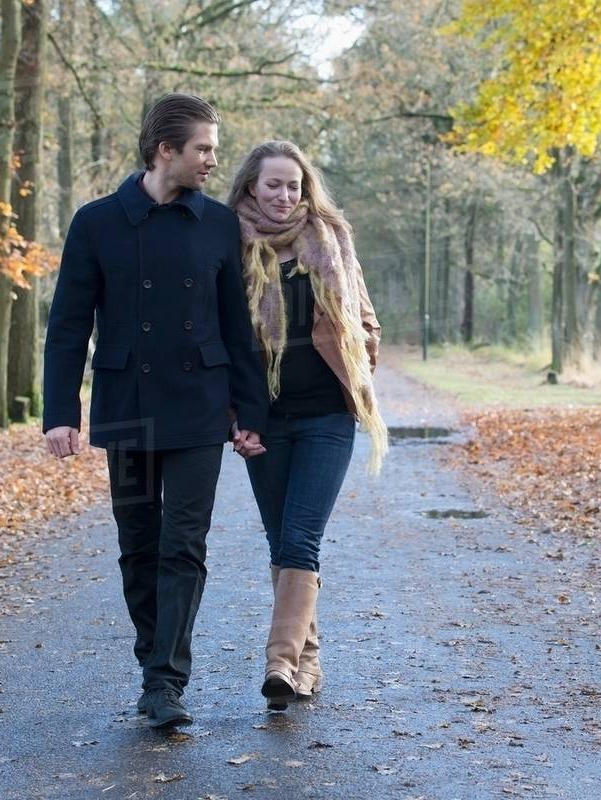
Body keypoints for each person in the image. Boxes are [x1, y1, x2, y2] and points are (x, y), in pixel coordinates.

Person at [42, 94, 269, 730]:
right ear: (165, 150)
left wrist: (248, 410)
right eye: (203, 149)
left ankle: (166, 681)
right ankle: (153, 662)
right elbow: (67, 326)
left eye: (214, 150)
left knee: (184, 544)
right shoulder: (96, 223)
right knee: (138, 542)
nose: (212, 161)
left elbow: (237, 326)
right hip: (130, 409)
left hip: (199, 409)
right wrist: (61, 411)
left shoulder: (218, 225)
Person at [226, 140, 388, 711]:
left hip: (326, 415)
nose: (284, 194)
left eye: (293, 185)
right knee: (282, 541)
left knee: (300, 538)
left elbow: (363, 313)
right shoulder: (229, 241)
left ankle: (279, 661)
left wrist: (362, 355)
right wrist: (233, 416)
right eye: (273, 184)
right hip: (264, 420)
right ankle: (307, 661)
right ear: (251, 186)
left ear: (305, 187)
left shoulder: (330, 237)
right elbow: (222, 338)